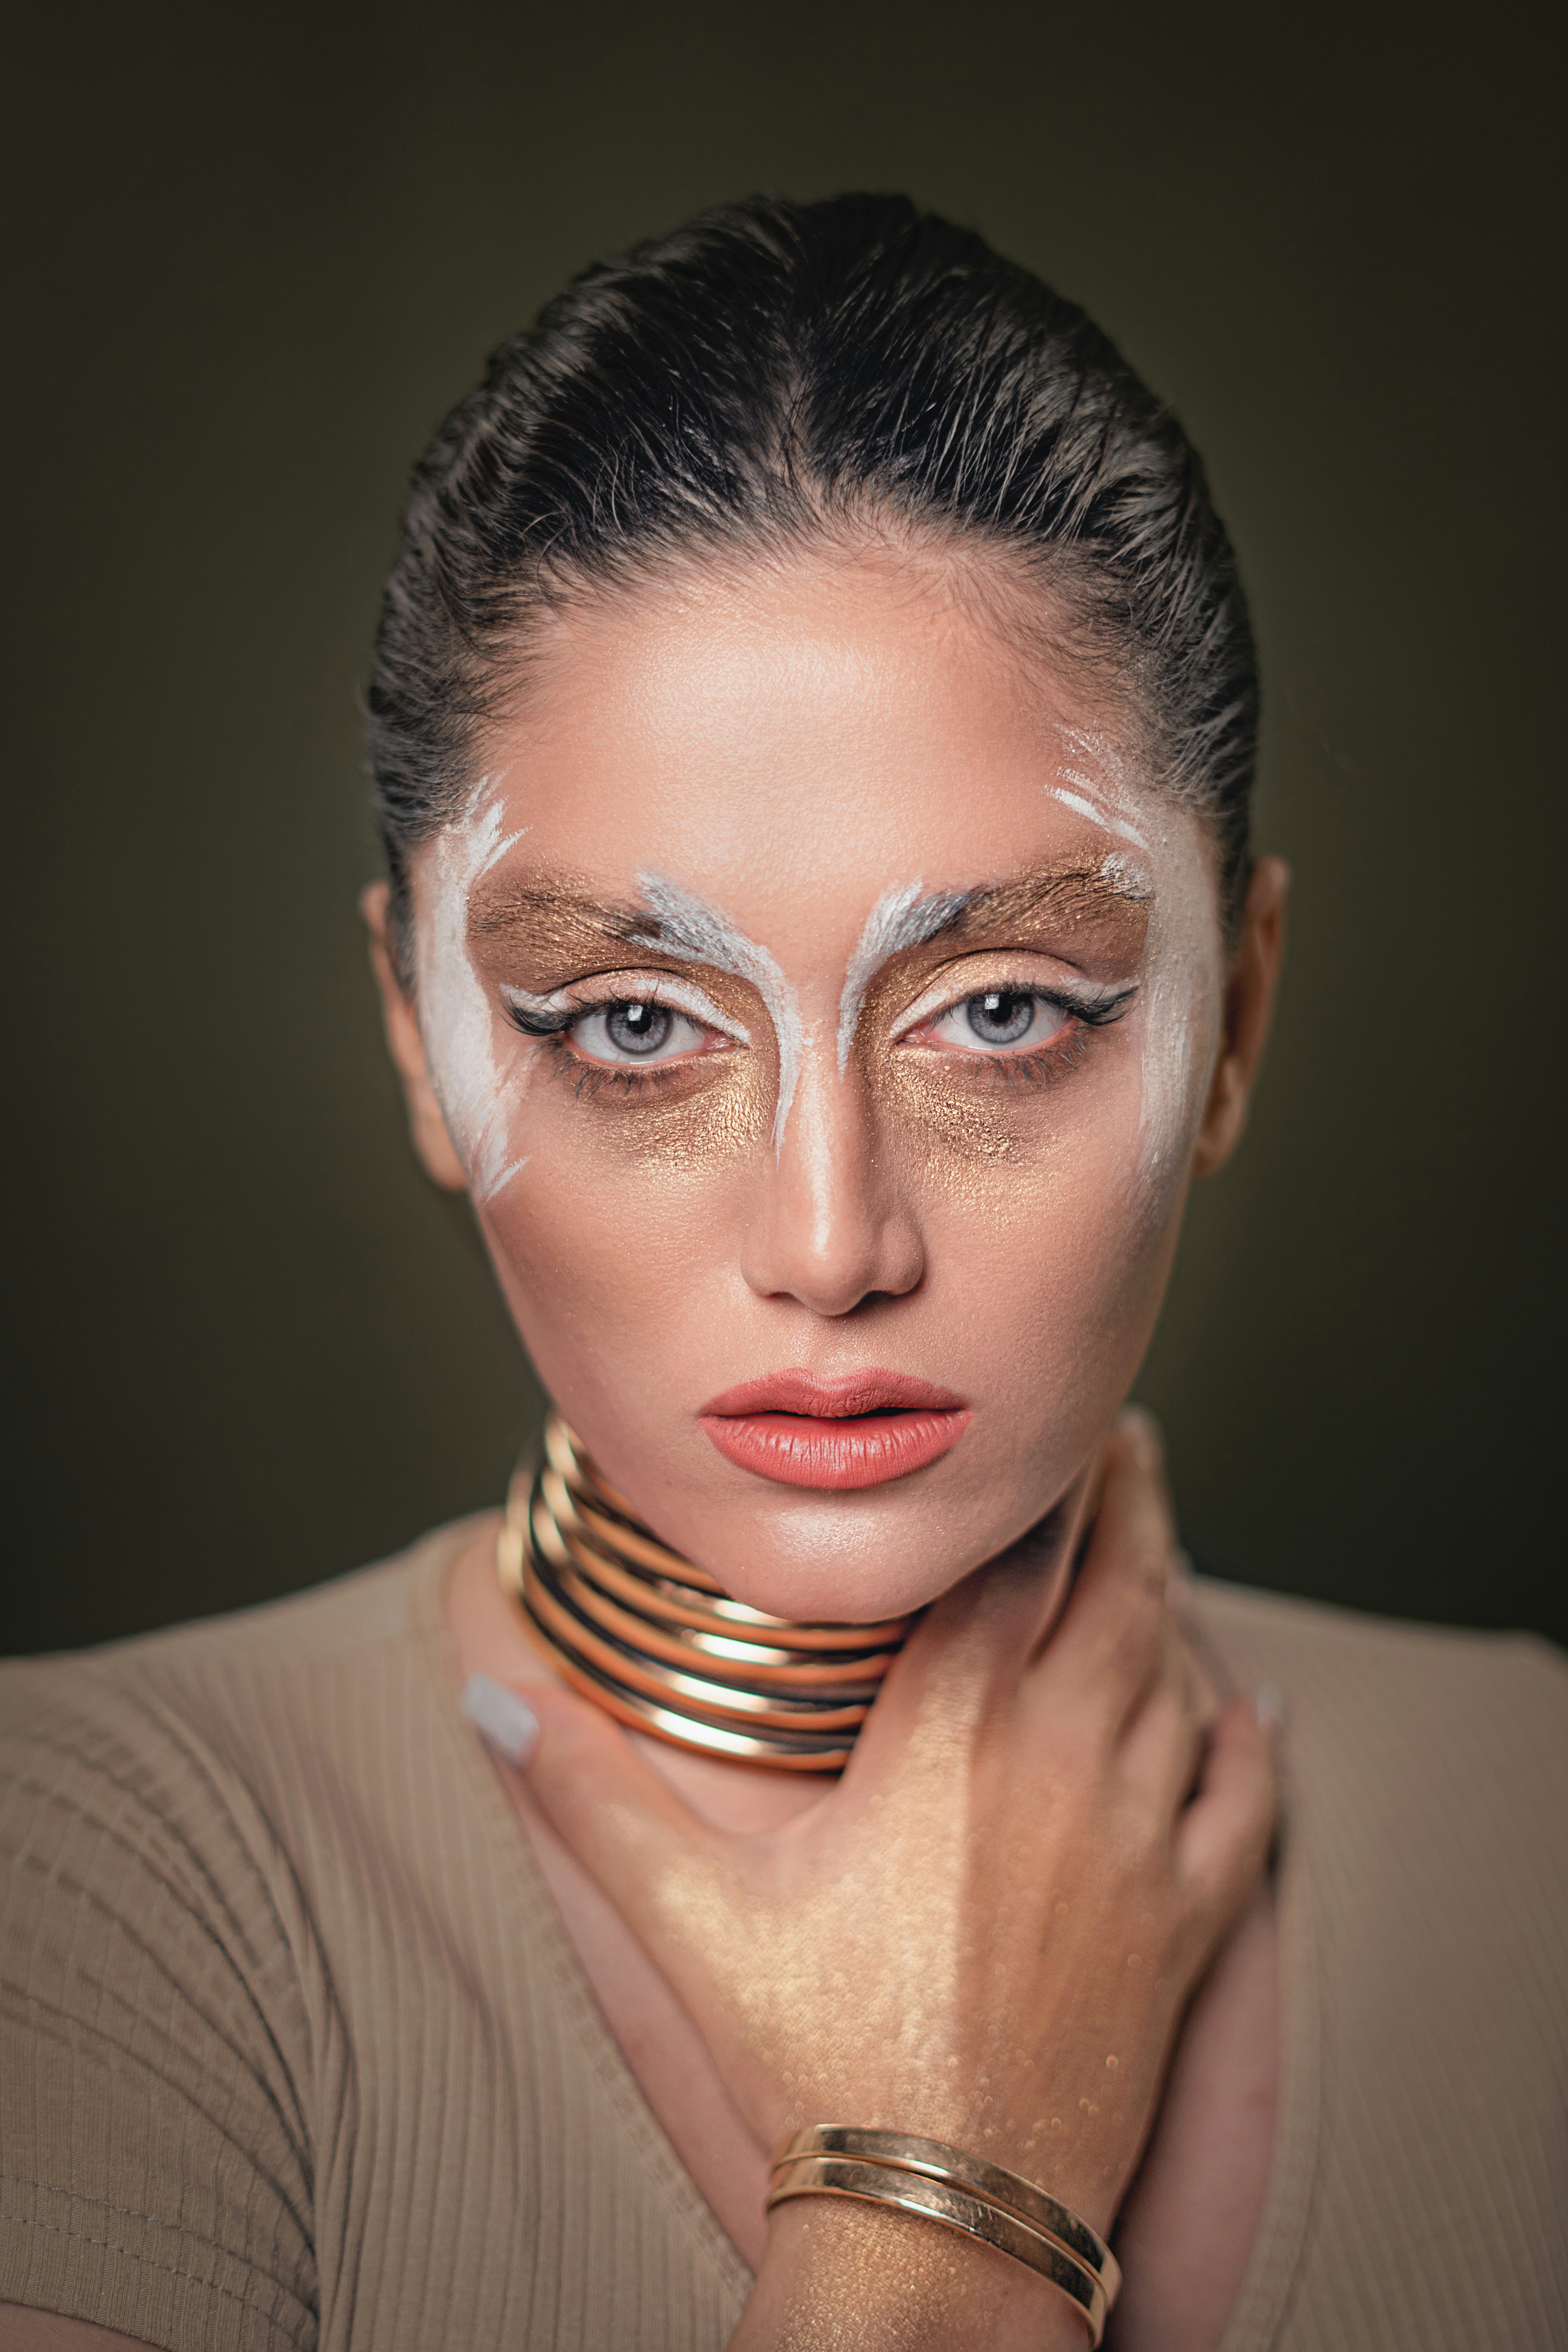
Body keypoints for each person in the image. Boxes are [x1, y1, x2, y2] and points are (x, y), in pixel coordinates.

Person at [2, 194, 1563, 2352]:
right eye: (634, 1023)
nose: (832, 1245)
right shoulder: (75, 1891)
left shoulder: (1543, 1832)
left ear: (1245, 1017)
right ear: (421, 1044)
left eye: (1003, 1008)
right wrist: (952, 2202)